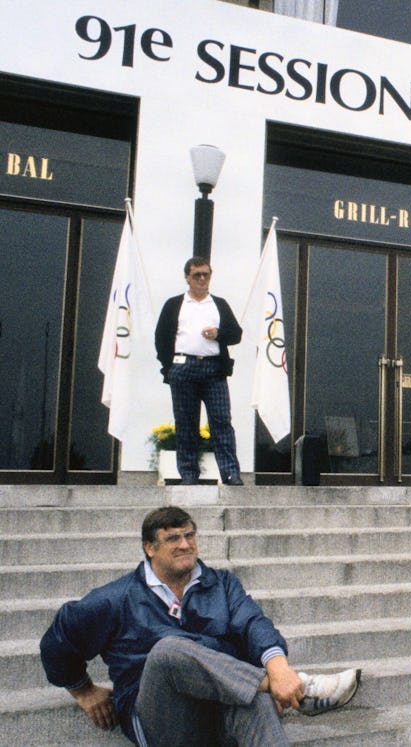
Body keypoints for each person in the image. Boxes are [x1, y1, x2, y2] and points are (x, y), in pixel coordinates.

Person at [39, 506, 358, 746]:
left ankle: (271, 685)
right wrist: (82, 689)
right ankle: (296, 688)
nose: (185, 544)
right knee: (169, 651)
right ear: (150, 548)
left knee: (256, 699)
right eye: (172, 538)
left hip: (222, 705)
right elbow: (58, 639)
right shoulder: (116, 598)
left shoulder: (221, 584)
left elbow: (252, 623)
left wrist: (277, 665)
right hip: (162, 718)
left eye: (189, 535)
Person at [155, 256, 244, 486]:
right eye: (197, 275)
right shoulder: (174, 305)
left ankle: (230, 473)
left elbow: (236, 334)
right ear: (187, 277)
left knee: (221, 420)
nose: (202, 279)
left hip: (213, 369)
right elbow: (161, 338)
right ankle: (188, 474)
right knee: (186, 422)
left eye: (206, 274)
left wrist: (218, 334)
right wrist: (169, 368)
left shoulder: (219, 304)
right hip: (183, 368)